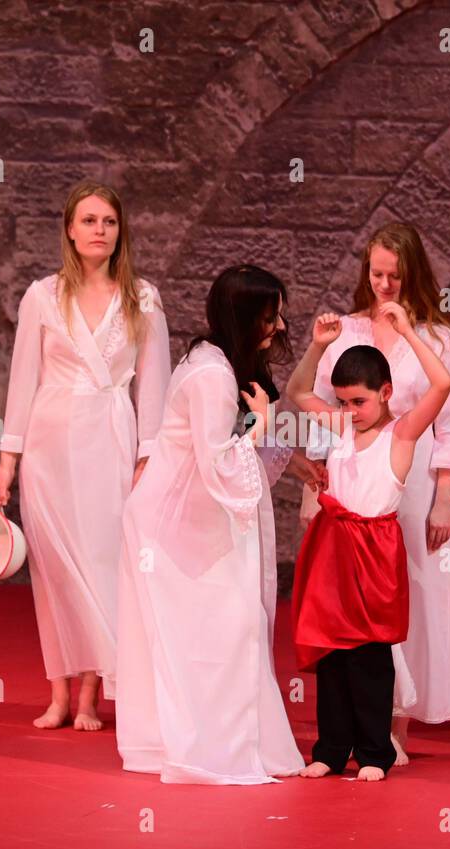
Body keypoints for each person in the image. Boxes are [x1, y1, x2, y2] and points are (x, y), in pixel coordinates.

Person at [0, 181, 170, 731]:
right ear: (69, 229)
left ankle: (93, 693)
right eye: (89, 221)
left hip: (110, 439)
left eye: (108, 222)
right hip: (48, 443)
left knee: (101, 562)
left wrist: (148, 455)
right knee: (54, 568)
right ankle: (58, 693)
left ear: (120, 232)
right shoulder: (42, 296)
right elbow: (23, 380)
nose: (99, 231)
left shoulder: (144, 297)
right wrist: (7, 461)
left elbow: (154, 386)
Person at [114, 265, 305, 785]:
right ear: (242, 318)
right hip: (169, 528)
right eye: (269, 317)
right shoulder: (210, 375)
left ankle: (224, 736)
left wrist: (289, 453)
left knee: (230, 625)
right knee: (206, 630)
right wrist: (262, 426)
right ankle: (197, 744)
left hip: (202, 519)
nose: (280, 326)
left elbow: (238, 459)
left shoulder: (225, 363)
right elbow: (218, 461)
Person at [302, 222, 450, 764]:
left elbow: (448, 421)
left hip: (410, 470)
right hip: (351, 474)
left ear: (412, 274)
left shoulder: (438, 335)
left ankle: (397, 727)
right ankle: (352, 727)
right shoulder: (348, 329)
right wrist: (314, 486)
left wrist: (446, 495)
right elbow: (323, 409)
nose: (383, 284)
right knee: (347, 602)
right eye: (375, 273)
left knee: (410, 595)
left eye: (394, 276)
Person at [286, 306, 450, 781]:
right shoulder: (342, 427)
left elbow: (441, 386)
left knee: (370, 656)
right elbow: (299, 391)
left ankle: (375, 751)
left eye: (358, 402)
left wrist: (406, 332)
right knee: (332, 652)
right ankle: (331, 749)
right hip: (333, 548)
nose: (348, 412)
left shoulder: (400, 435)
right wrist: (318, 345)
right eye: (342, 402)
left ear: (385, 393)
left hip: (375, 551)